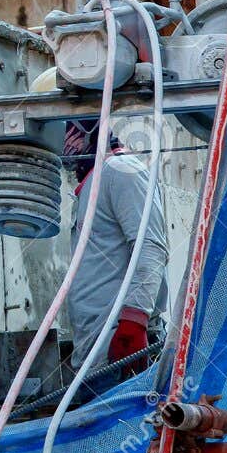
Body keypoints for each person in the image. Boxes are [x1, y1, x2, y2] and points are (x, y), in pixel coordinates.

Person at [61, 119, 169, 380]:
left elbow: (149, 246)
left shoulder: (120, 170)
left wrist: (134, 321)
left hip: (121, 350)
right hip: (97, 359)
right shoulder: (94, 183)